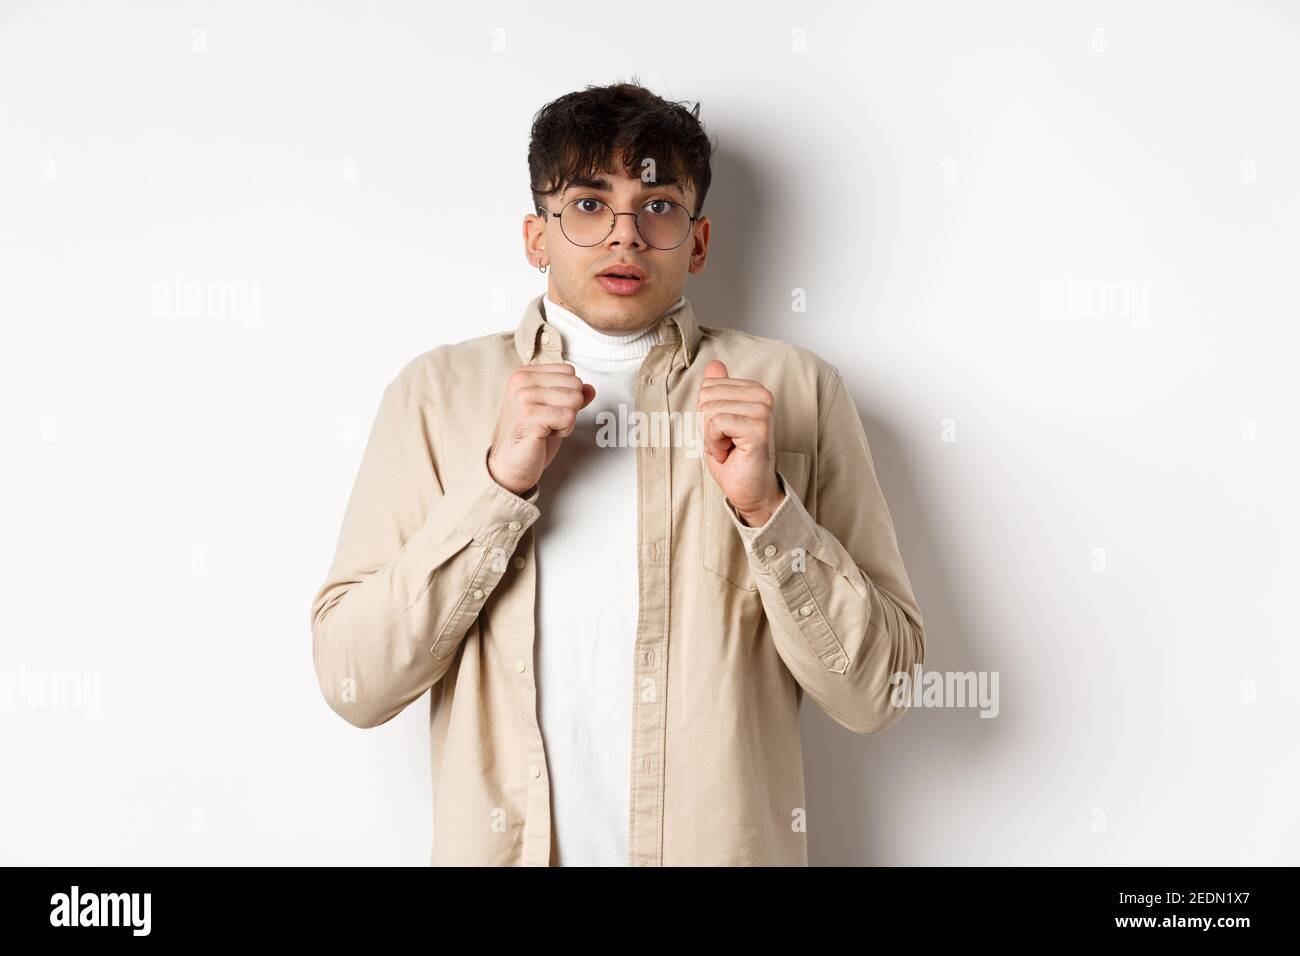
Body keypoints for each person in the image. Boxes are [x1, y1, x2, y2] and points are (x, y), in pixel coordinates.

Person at [310, 80, 925, 866]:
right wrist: (498, 485)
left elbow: (882, 692)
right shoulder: (436, 396)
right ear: (537, 237)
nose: (625, 236)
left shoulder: (796, 393)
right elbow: (353, 678)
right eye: (589, 205)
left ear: (698, 242)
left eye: (658, 205)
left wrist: (769, 511)